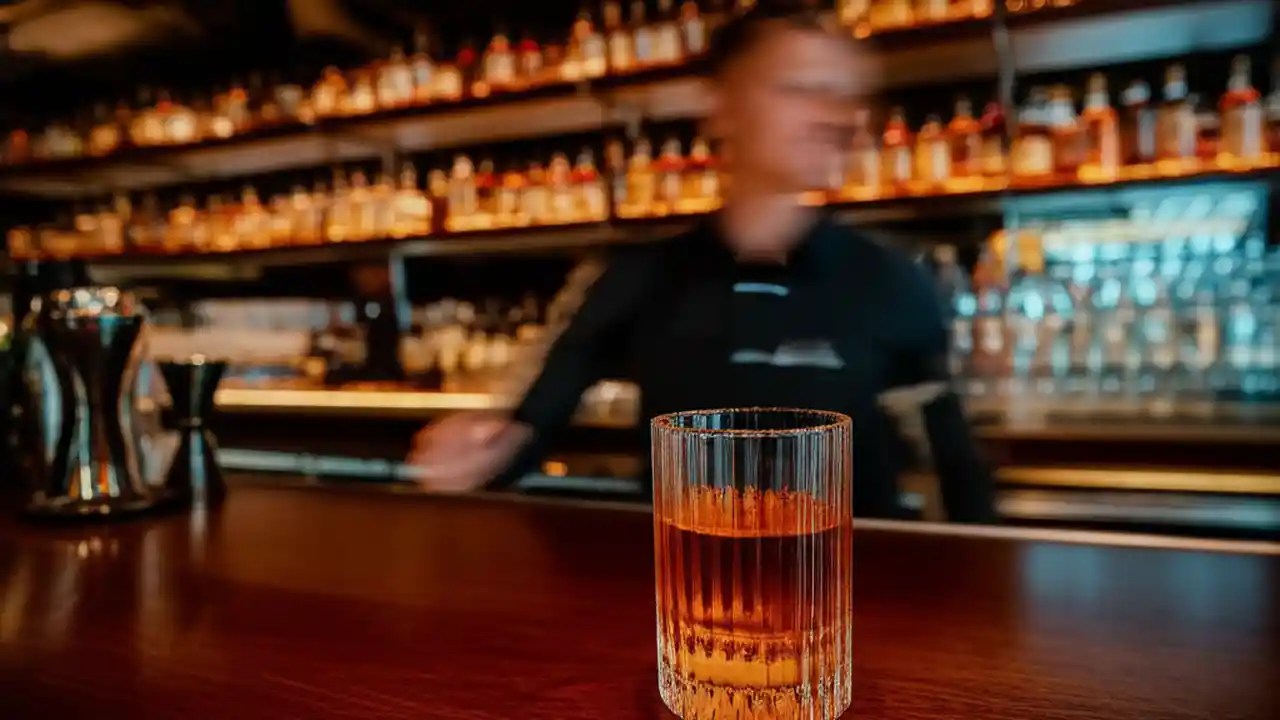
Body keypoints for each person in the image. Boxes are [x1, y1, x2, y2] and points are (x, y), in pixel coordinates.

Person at [410, 5, 997, 523]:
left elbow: (956, 476)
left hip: (844, 614)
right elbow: (526, 428)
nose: (836, 117)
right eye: (800, 88)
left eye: (847, 96)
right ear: (720, 109)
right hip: (696, 607)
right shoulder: (637, 277)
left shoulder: (892, 281)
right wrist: (478, 450)